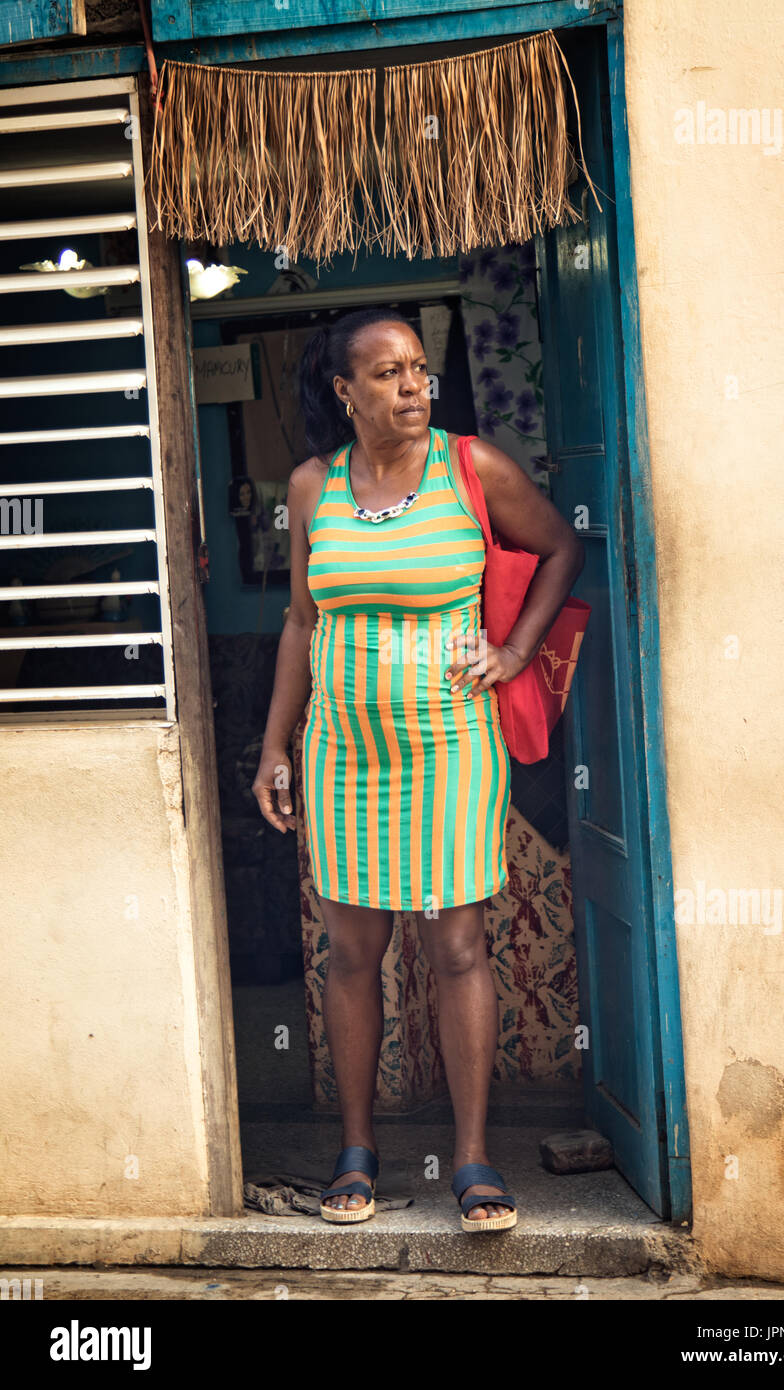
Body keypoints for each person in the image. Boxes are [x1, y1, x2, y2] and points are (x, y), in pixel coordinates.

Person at [253, 306, 584, 1231]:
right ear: (344, 392)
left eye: (418, 369)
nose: (412, 386)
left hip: (449, 748)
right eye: (389, 373)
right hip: (343, 756)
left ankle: (473, 1160)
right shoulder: (313, 487)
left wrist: (516, 651)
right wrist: (276, 746)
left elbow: (561, 547)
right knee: (352, 954)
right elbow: (300, 622)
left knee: (455, 947)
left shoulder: (470, 468)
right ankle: (356, 1151)